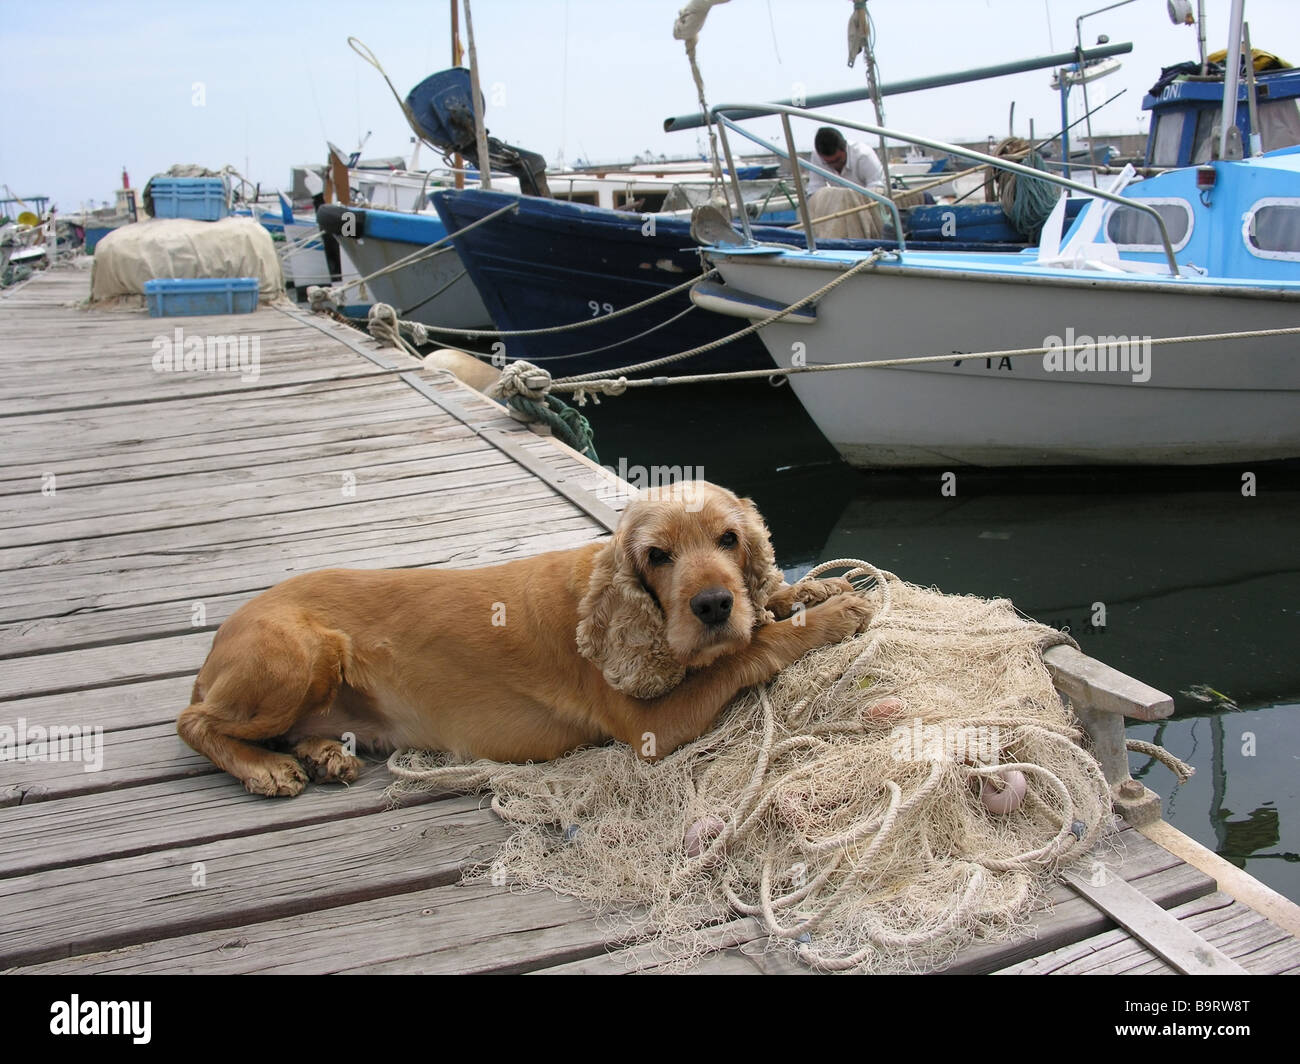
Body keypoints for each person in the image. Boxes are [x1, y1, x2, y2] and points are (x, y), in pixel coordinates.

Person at [805, 127, 886, 194]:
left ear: (845, 148)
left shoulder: (864, 155)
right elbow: (815, 187)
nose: (834, 165)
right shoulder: (816, 156)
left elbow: (877, 186)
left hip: (867, 203)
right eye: (828, 163)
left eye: (837, 160)